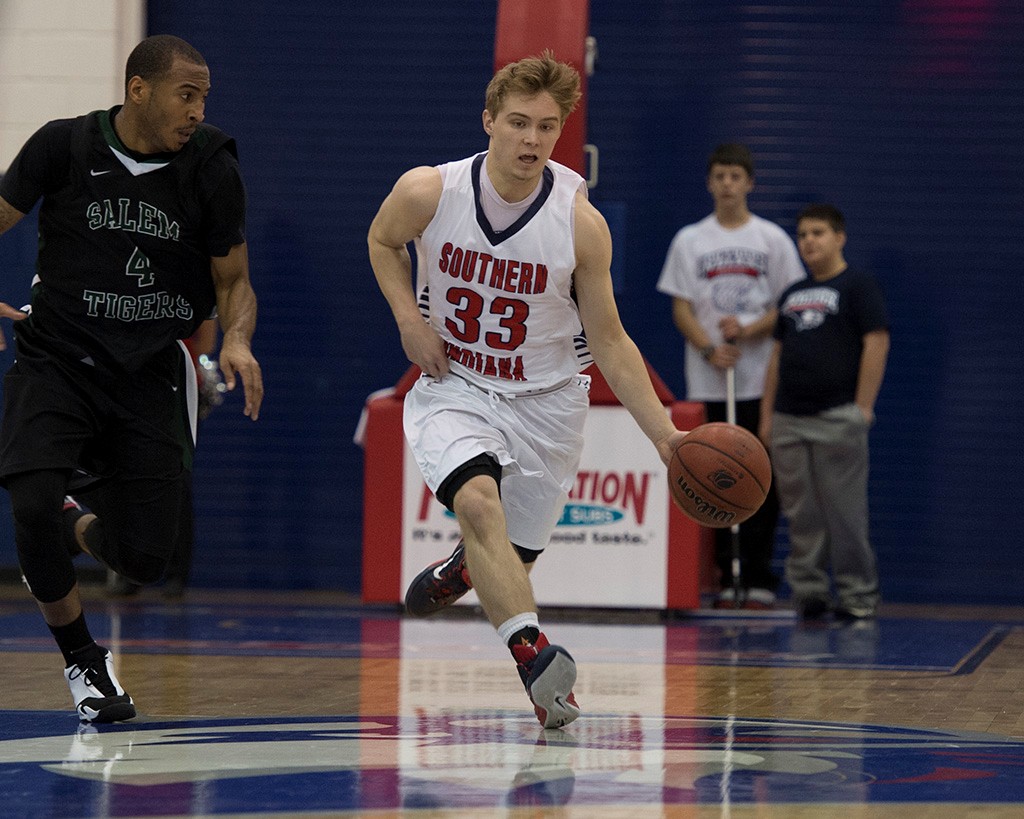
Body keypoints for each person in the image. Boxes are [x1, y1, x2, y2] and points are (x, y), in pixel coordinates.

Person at [367, 52, 687, 728]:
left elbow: (611, 342)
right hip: (456, 384)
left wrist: (666, 436)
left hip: (547, 401)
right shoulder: (430, 190)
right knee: (480, 505)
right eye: (518, 122)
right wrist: (408, 319)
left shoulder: (579, 225)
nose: (532, 139)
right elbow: (382, 240)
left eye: (547, 126)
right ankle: (535, 657)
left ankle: (464, 571)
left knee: (517, 552)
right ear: (488, 121)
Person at [0, 35, 263, 723]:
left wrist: (236, 339)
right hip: (56, 355)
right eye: (187, 93)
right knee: (27, 498)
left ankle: (72, 520)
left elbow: (233, 279)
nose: (198, 109)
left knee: (145, 559)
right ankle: (86, 663)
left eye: (205, 95)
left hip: (148, 369)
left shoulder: (210, 166)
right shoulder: (62, 147)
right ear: (138, 90)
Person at [656, 143, 805, 609]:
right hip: (708, 379)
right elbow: (680, 306)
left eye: (735, 177)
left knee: (759, 477)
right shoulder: (690, 240)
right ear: (709, 182)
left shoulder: (772, 241)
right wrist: (708, 347)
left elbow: (788, 304)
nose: (727, 184)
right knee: (707, 474)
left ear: (749, 183)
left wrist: (748, 329)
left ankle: (759, 577)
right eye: (719, 176)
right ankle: (722, 576)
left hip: (759, 380)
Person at [758, 203, 889, 621]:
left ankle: (857, 596)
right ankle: (809, 593)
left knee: (845, 514)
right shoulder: (792, 294)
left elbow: (877, 342)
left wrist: (863, 407)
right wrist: (767, 419)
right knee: (802, 515)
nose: (809, 241)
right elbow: (776, 357)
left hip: (837, 418)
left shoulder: (858, 286)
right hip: (789, 421)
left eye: (818, 233)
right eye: (803, 235)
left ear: (839, 237)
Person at [106, 318, 223, 599]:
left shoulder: (191, 284)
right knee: (129, 475)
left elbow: (207, 341)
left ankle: (175, 574)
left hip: (177, 383)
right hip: (132, 379)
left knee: (177, 476)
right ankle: (131, 569)